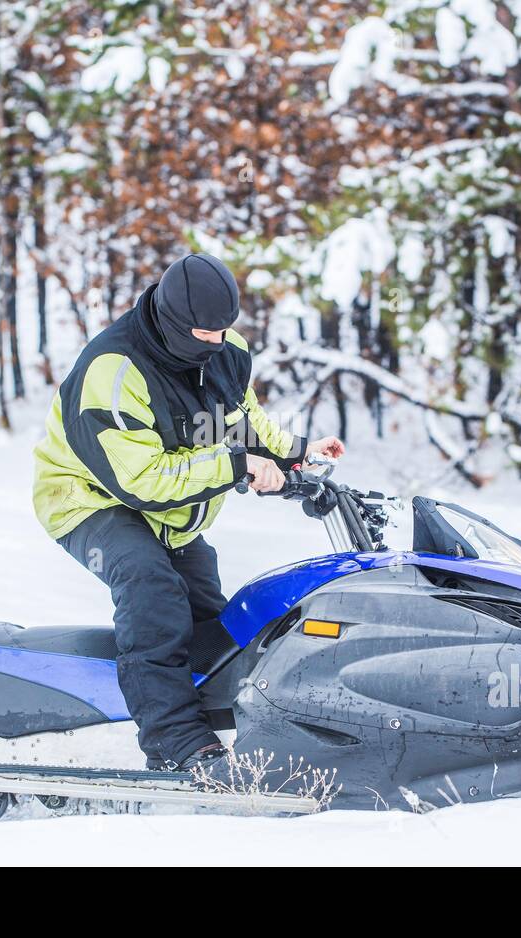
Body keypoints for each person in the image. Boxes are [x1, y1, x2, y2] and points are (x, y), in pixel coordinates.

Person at [33, 253, 344, 770]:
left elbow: (241, 420)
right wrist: (237, 466)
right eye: (206, 333)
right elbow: (140, 481)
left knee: (210, 614)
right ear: (173, 323)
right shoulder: (111, 373)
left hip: (170, 511)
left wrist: (295, 451)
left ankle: (218, 718)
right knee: (150, 587)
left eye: (226, 330)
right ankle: (175, 742)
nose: (219, 343)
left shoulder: (223, 347)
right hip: (89, 499)